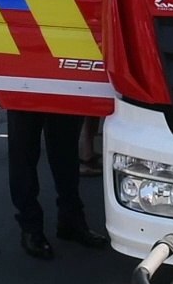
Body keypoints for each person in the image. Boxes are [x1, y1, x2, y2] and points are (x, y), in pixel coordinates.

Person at [8, 109, 110, 259]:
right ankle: (31, 226)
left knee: (66, 151)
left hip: (61, 90)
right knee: (24, 154)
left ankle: (70, 218)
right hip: (24, 93)